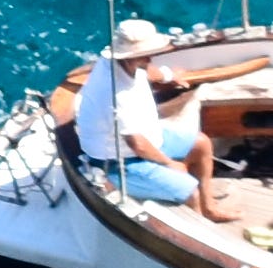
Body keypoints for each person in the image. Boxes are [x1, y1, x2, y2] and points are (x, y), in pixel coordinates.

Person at [74, 19, 226, 222]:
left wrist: (169, 76)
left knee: (201, 144)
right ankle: (204, 230)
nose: (151, 57)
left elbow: (145, 70)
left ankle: (210, 208)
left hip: (148, 138)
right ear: (130, 57)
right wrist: (170, 164)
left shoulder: (123, 63)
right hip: (119, 162)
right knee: (190, 190)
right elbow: (137, 145)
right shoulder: (116, 93)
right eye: (145, 54)